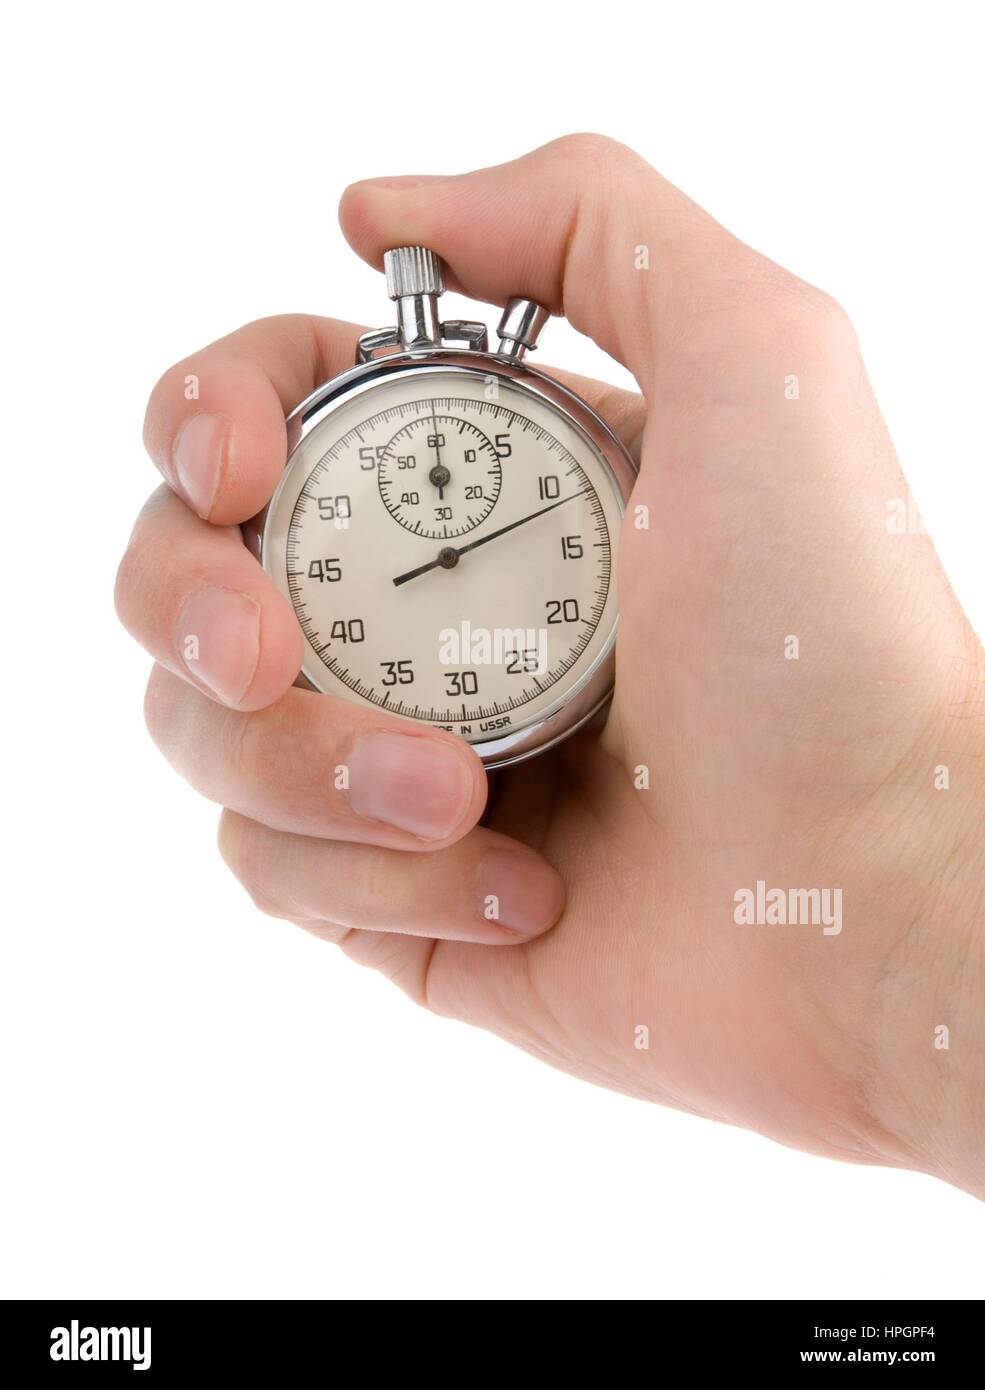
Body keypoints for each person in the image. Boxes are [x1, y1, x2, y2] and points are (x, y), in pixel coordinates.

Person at [116, 135, 985, 1199]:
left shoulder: (628, 479)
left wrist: (915, 868)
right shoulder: (335, 461)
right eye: (437, 552)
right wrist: (911, 941)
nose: (446, 553)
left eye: (462, 541)